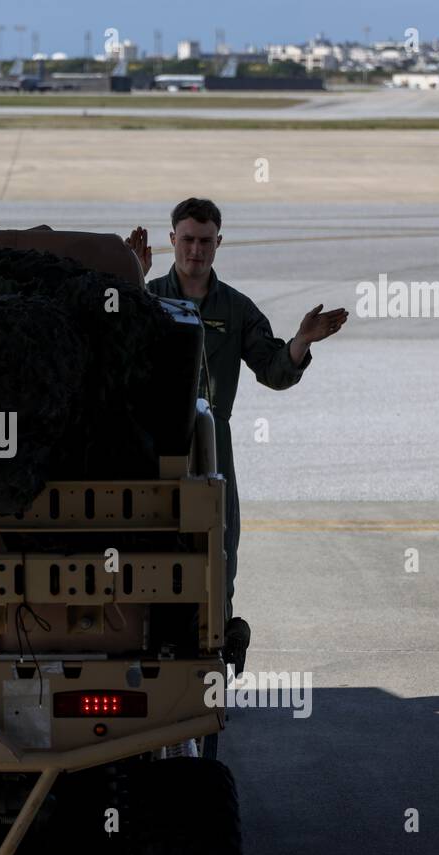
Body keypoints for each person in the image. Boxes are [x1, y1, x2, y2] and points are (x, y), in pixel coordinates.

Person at [126, 198, 348, 673]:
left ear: (218, 244)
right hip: (151, 442)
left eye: (206, 241)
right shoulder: (147, 298)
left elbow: (273, 369)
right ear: (173, 241)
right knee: (146, 543)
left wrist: (301, 342)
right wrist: (129, 281)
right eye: (187, 239)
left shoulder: (236, 308)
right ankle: (144, 646)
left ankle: (213, 648)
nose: (196, 250)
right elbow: (112, 344)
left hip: (211, 443)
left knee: (219, 548)